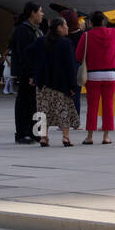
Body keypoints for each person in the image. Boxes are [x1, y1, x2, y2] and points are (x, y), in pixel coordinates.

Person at [76, 10, 115, 144]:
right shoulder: (112, 33)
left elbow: (78, 55)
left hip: (93, 75)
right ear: (103, 21)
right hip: (110, 75)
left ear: (90, 23)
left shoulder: (86, 36)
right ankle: (106, 136)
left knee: (92, 106)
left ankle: (90, 136)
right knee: (108, 105)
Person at [29, 17, 80, 146]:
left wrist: (34, 74)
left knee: (42, 110)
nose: (67, 27)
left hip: (42, 83)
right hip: (60, 84)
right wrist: (73, 85)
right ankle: (65, 137)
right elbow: (70, 66)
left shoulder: (40, 41)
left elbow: (27, 54)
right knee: (63, 109)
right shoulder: (66, 43)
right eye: (65, 25)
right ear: (59, 28)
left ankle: (43, 138)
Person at [10, 3, 44, 142]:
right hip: (27, 74)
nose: (42, 14)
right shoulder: (23, 30)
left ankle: (36, 132)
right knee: (24, 103)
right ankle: (22, 133)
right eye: (40, 11)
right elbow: (24, 55)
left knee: (36, 103)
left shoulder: (36, 30)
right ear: (32, 13)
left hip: (36, 72)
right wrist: (30, 74)